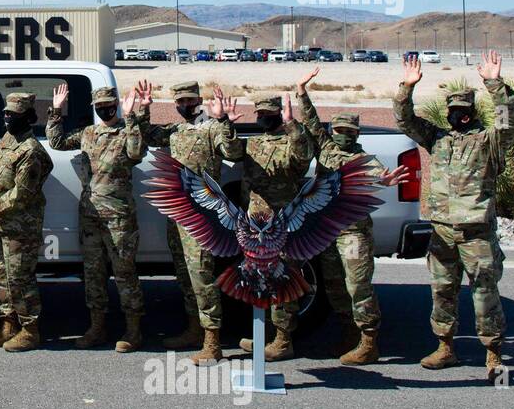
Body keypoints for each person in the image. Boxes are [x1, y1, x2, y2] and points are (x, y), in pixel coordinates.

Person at [395, 51, 514, 381]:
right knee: (442, 291)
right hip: (442, 231)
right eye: (452, 111)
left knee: (484, 293)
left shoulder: (488, 141)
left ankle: (493, 354)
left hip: (476, 232)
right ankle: (445, 347)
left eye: (461, 112)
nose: (456, 116)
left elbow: (510, 122)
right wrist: (407, 87)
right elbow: (405, 121)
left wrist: (494, 83)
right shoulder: (438, 140)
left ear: (471, 114)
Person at [296, 67, 410, 365]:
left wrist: (385, 180)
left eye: (349, 131)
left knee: (358, 286)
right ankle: (349, 335)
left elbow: (379, 175)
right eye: (339, 130)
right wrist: (301, 92)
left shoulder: (364, 160)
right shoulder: (326, 150)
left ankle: (369, 340)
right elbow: (310, 121)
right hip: (327, 233)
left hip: (353, 234)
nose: (343, 135)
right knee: (334, 285)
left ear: (357, 134)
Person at [137, 81, 244, 365]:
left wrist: (223, 120)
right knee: (185, 274)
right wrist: (144, 109)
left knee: (202, 276)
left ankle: (213, 341)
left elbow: (233, 152)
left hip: (202, 216)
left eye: (190, 101)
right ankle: (194, 329)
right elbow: (146, 135)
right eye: (180, 101)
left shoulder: (211, 128)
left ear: (199, 100)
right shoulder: (176, 131)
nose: (185, 106)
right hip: (178, 215)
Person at [46, 84, 147, 351]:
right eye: (99, 106)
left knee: (124, 273)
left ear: (116, 105)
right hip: (90, 215)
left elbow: (136, 152)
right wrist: (56, 110)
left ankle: (133, 330)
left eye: (108, 105)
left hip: (118, 217)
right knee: (93, 273)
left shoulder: (127, 132)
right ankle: (97, 327)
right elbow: (57, 142)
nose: (104, 110)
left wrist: (132, 116)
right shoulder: (89, 133)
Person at [0, 92, 54, 352]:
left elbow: (21, 194)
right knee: (0, 276)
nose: (8, 118)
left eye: (14, 115)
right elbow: (3, 168)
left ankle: (30, 330)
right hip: (1, 223)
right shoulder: (10, 139)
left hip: (20, 226)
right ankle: (8, 325)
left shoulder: (32, 151)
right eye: (6, 113)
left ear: (28, 117)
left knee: (20, 278)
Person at [238, 92, 314, 361]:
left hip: (282, 224)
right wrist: (224, 121)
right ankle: (265, 336)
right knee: (258, 282)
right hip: (255, 226)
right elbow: (231, 151)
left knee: (281, 279)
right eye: (259, 114)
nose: (263, 119)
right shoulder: (253, 143)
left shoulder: (291, 142)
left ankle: (283, 340)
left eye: (268, 114)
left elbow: (303, 157)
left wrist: (293, 124)